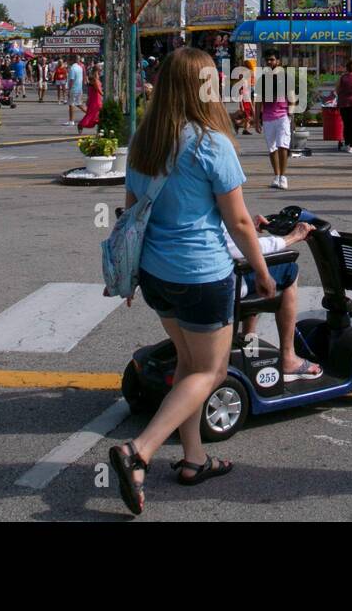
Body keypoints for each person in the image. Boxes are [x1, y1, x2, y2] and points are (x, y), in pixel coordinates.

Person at [108, 47, 274, 516]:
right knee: (210, 371)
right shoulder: (210, 143)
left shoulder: (144, 140)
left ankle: (194, 459)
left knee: (187, 364)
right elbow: (240, 222)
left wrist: (130, 276)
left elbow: (130, 211)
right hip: (200, 274)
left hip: (156, 273)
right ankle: (138, 451)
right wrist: (262, 274)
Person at [232, 215, 321, 380]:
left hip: (182, 277)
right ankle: (288, 357)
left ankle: (249, 339)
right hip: (226, 281)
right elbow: (239, 242)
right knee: (288, 269)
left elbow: (236, 230)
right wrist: (290, 238)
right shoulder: (217, 191)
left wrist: (248, 227)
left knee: (259, 266)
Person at [255, 48, 292, 189]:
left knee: (283, 145)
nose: (269, 62)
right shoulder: (262, 79)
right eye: (267, 60)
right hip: (268, 117)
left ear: (278, 61)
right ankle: (276, 176)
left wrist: (292, 114)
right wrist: (257, 120)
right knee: (272, 148)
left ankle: (283, 176)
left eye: (272, 59)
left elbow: (292, 96)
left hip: (282, 115)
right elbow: (258, 101)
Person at [77, 62, 103, 131]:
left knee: (94, 113)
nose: (101, 72)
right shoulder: (94, 79)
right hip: (96, 99)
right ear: (97, 71)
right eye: (100, 70)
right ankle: (82, 124)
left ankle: (99, 124)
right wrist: (103, 94)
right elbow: (98, 89)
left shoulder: (94, 78)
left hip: (95, 98)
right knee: (93, 113)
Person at [64, 56, 84, 126]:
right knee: (78, 104)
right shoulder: (80, 67)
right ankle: (90, 114)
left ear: (71, 60)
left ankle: (71, 120)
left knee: (71, 104)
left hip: (73, 88)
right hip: (79, 88)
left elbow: (71, 80)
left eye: (68, 60)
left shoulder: (72, 68)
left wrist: (69, 90)